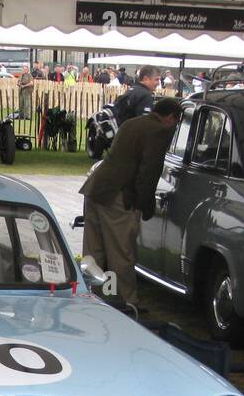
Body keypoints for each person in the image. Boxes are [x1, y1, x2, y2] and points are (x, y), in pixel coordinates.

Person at [78, 97, 183, 307]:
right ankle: (127, 302)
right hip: (118, 195)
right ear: (171, 117)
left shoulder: (132, 123)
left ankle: (94, 296)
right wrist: (145, 205)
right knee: (121, 252)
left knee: (94, 250)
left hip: (96, 187)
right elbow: (149, 171)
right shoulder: (158, 130)